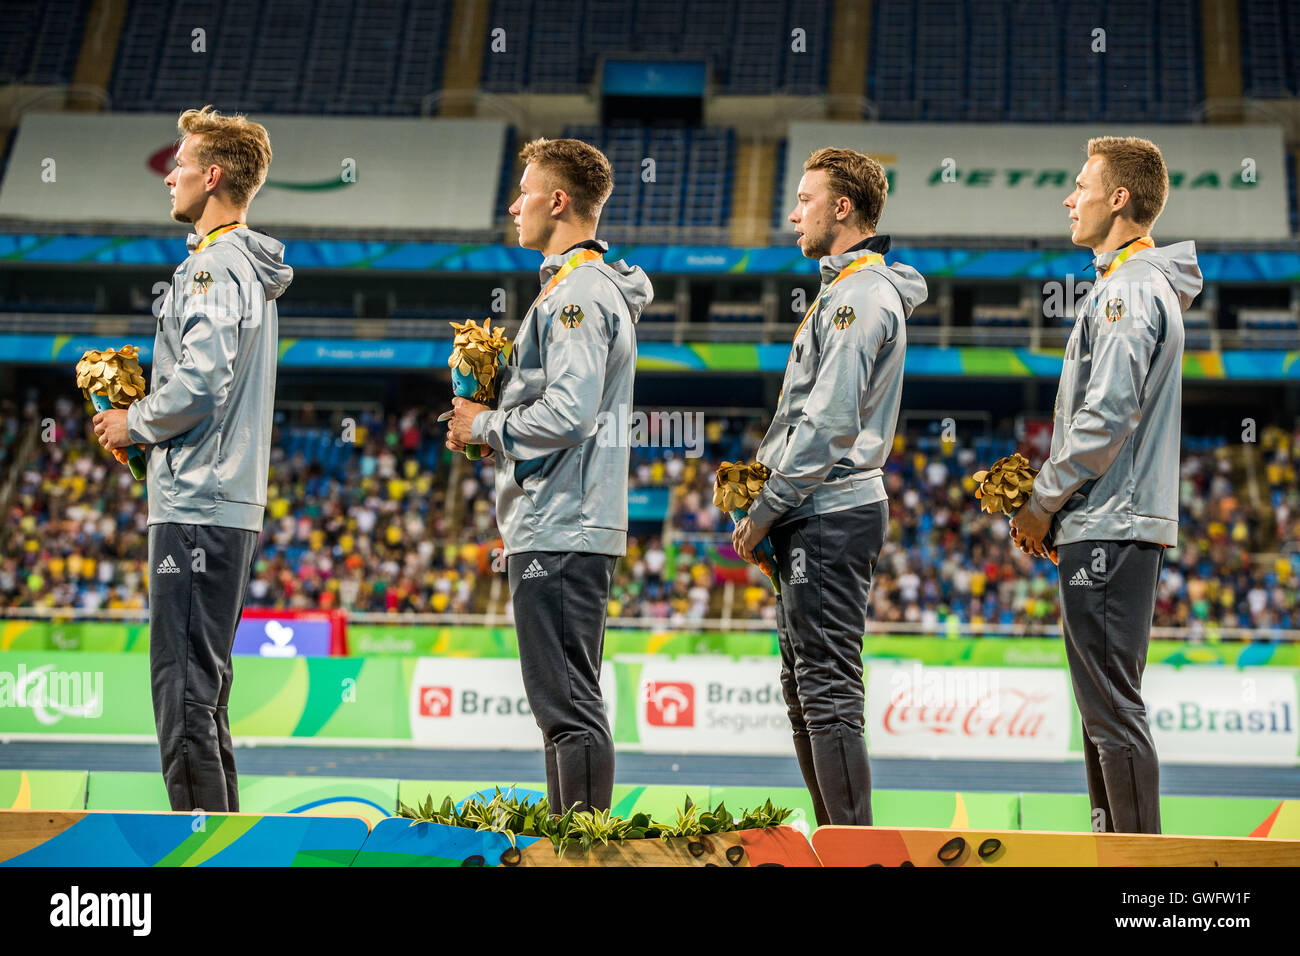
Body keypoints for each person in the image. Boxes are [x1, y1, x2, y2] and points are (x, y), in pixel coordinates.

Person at [94, 105, 292, 812]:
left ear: (211, 177)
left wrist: (133, 422)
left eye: (177, 166)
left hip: (197, 505)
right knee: (202, 696)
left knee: (183, 692)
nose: (168, 179)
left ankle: (200, 852)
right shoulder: (242, 267)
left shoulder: (212, 269)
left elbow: (202, 384)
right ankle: (226, 849)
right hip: (221, 503)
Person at [447, 138, 652, 812]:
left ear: (558, 201)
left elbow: (569, 412)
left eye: (525, 190)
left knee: (567, 707)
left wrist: (481, 425)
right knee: (562, 707)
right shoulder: (577, 289)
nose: (514, 205)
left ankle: (583, 854)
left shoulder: (579, 295)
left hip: (562, 522)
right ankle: (573, 845)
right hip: (561, 519)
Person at [1010, 136, 1202, 834]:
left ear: (1118, 198)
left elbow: (1106, 417)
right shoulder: (1134, 285)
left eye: (1082, 184)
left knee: (1112, 710)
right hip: (1108, 522)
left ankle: (1141, 876)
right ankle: (1117, 854)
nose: (1070, 197)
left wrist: (1040, 501)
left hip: (1111, 524)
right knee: (1104, 709)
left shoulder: (1128, 290)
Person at [733, 147, 927, 826]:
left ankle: (853, 849)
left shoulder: (862, 295)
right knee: (807, 688)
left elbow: (828, 422)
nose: (793, 215)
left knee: (827, 686)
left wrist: (766, 507)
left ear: (842, 208)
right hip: (816, 508)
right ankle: (836, 839)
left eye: (805, 200)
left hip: (829, 509)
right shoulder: (845, 291)